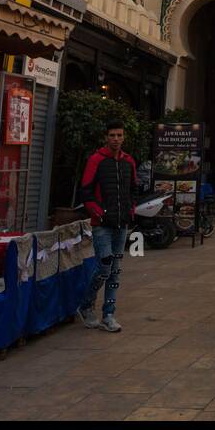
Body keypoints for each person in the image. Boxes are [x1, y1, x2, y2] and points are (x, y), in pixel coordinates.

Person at [76, 122, 138, 333]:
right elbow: (85, 191)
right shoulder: (96, 160)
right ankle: (86, 305)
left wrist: (131, 209)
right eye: (112, 135)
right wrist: (99, 213)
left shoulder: (129, 161)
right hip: (102, 225)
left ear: (124, 137)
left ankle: (108, 314)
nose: (116, 139)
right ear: (106, 137)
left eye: (119, 135)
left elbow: (133, 189)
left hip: (121, 223)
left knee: (115, 271)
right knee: (105, 267)